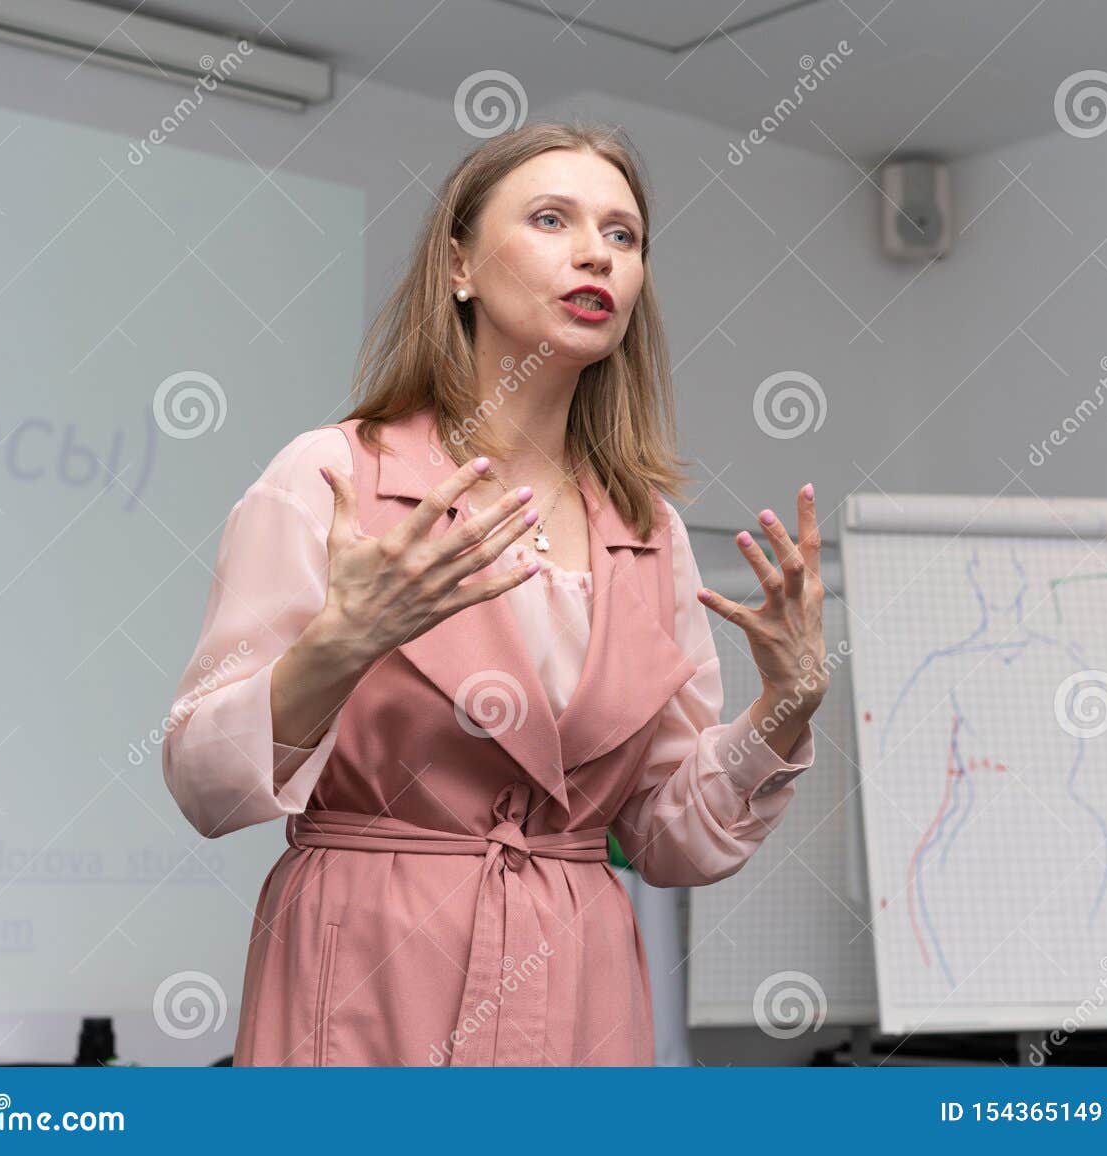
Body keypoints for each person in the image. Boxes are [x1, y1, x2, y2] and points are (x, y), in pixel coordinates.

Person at [160, 121, 829, 1066]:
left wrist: (785, 704)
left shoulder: (651, 533)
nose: (596, 253)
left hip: (581, 984)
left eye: (623, 234)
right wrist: (341, 646)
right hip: (369, 971)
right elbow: (204, 781)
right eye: (552, 219)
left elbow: (667, 839)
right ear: (458, 266)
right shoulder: (332, 476)